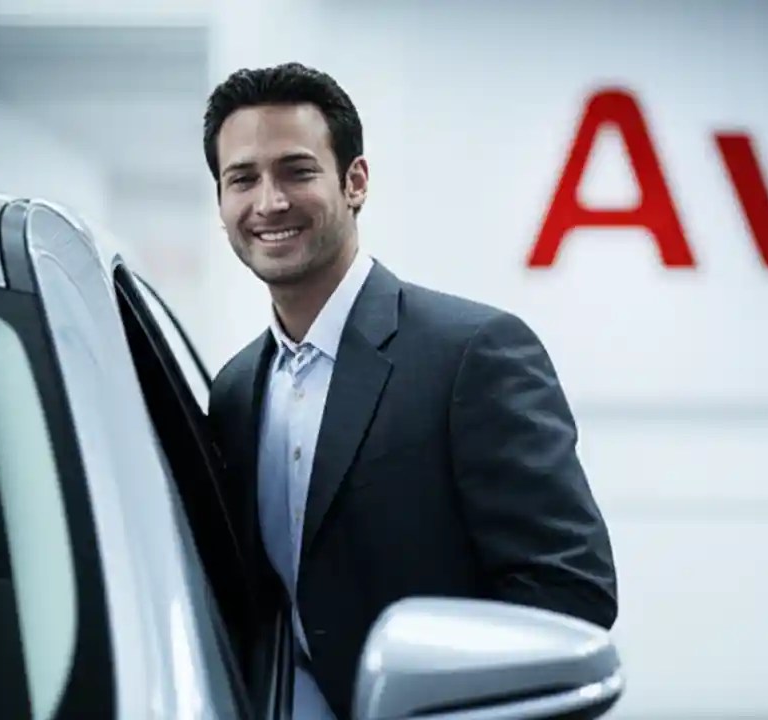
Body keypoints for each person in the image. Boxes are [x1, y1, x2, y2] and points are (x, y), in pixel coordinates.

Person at [203, 62, 617, 719]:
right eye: (243, 179)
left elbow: (568, 591)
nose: (270, 202)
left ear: (355, 182)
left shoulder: (473, 354)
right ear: (222, 203)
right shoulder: (232, 393)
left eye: (297, 171)